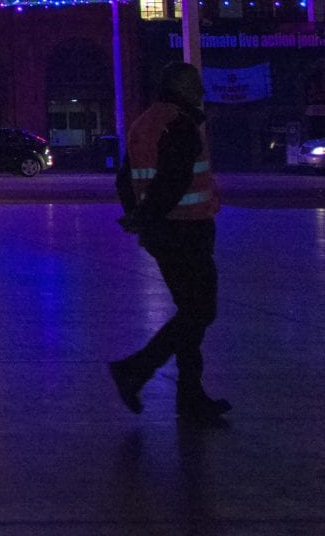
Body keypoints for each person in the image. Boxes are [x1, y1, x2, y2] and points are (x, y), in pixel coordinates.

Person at [109, 61, 230, 425]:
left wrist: (138, 218)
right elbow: (173, 181)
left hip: (163, 234)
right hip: (187, 230)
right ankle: (137, 370)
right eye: (195, 84)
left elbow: (125, 179)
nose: (202, 91)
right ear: (178, 85)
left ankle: (189, 396)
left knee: (190, 312)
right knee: (200, 311)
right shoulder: (181, 124)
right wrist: (146, 217)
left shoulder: (146, 122)